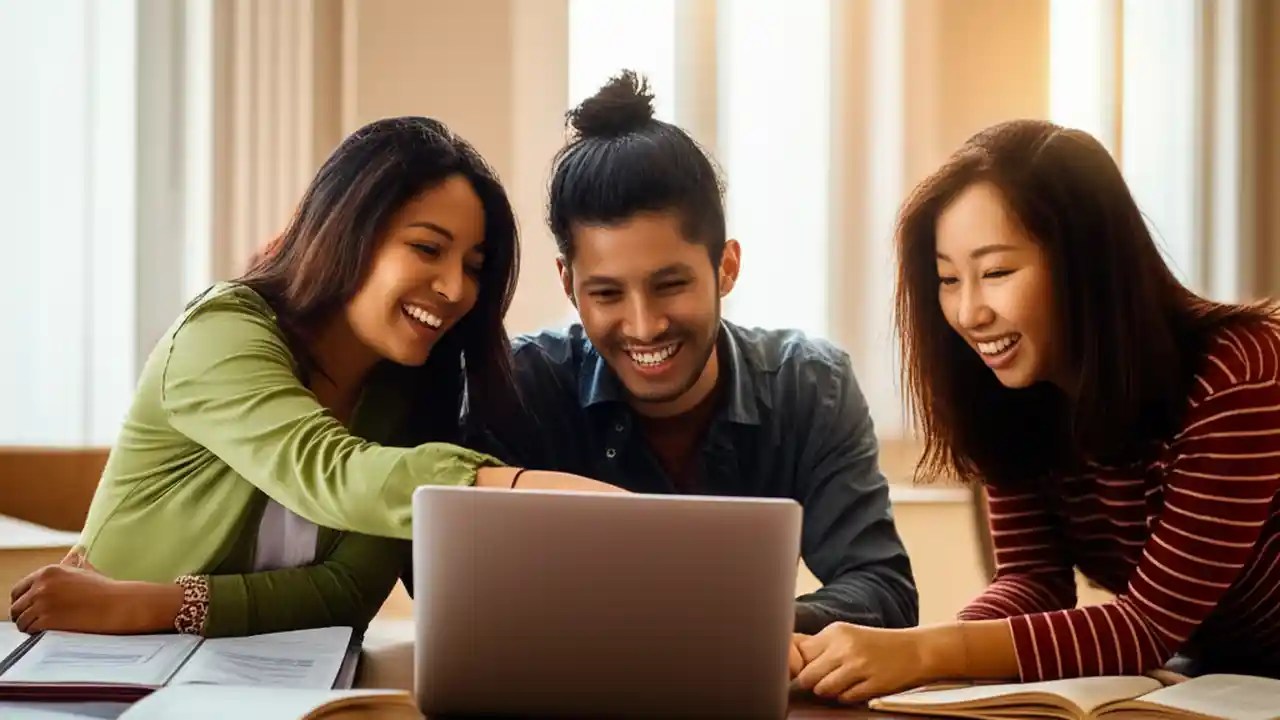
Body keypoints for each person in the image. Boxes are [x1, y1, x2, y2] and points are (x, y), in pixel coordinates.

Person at [9, 116, 619, 638]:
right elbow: (327, 472)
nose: (456, 288)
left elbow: (343, 594)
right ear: (350, 231)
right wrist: (510, 487)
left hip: (269, 684)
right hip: (105, 670)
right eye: (427, 249)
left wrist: (155, 605)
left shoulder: (408, 392)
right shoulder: (220, 332)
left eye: (474, 267)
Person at [788, 118, 1280, 704]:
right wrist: (906, 659)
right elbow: (1031, 583)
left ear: (1088, 264)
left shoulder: (1239, 370)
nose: (969, 312)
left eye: (996, 272)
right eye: (948, 279)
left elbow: (1149, 624)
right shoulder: (1013, 394)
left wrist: (921, 650)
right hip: (1220, 679)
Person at [473, 71, 918, 636]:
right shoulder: (519, 386)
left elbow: (881, 589)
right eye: (607, 293)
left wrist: (729, 629)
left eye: (670, 285)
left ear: (726, 267)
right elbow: (463, 587)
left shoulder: (811, 384)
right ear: (568, 284)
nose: (643, 326)